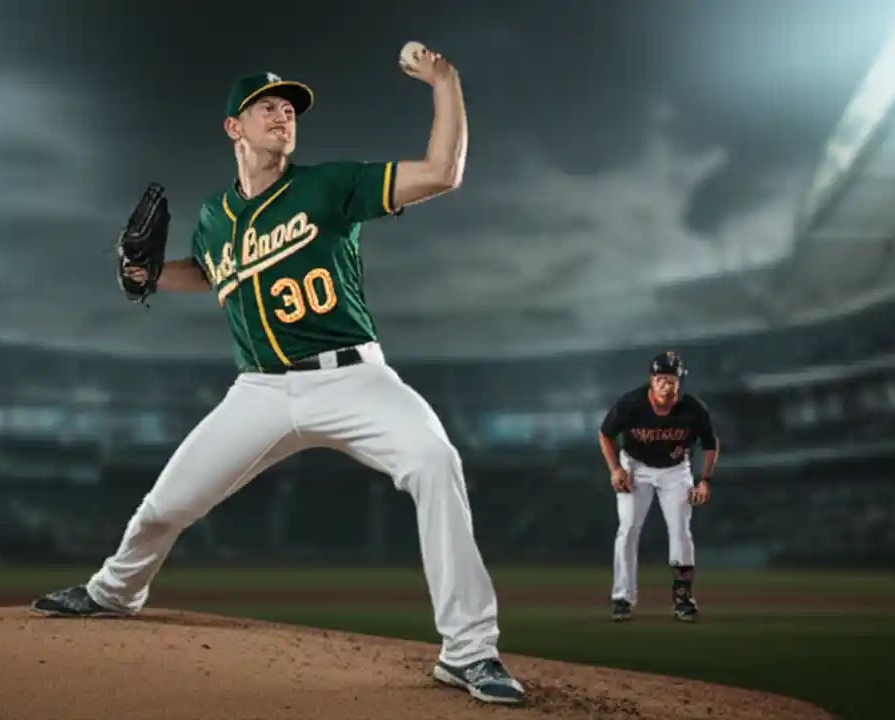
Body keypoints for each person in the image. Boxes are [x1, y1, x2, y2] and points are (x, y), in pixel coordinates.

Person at [30, 45, 526, 705]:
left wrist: (446, 80)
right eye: (265, 107)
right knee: (167, 504)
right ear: (234, 128)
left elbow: (442, 172)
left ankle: (468, 653)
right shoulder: (214, 218)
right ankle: (113, 591)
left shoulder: (329, 186)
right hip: (260, 390)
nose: (282, 115)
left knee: (435, 460)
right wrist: (150, 275)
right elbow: (208, 274)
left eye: (289, 108)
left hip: (353, 379)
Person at [597, 351, 719, 623]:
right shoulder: (631, 404)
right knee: (628, 528)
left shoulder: (694, 409)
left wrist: (705, 479)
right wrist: (616, 469)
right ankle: (622, 597)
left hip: (675, 470)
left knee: (681, 530)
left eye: (672, 379)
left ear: (680, 382)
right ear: (652, 381)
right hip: (635, 467)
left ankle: (683, 597)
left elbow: (710, 444)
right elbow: (605, 434)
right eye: (661, 379)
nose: (667, 385)